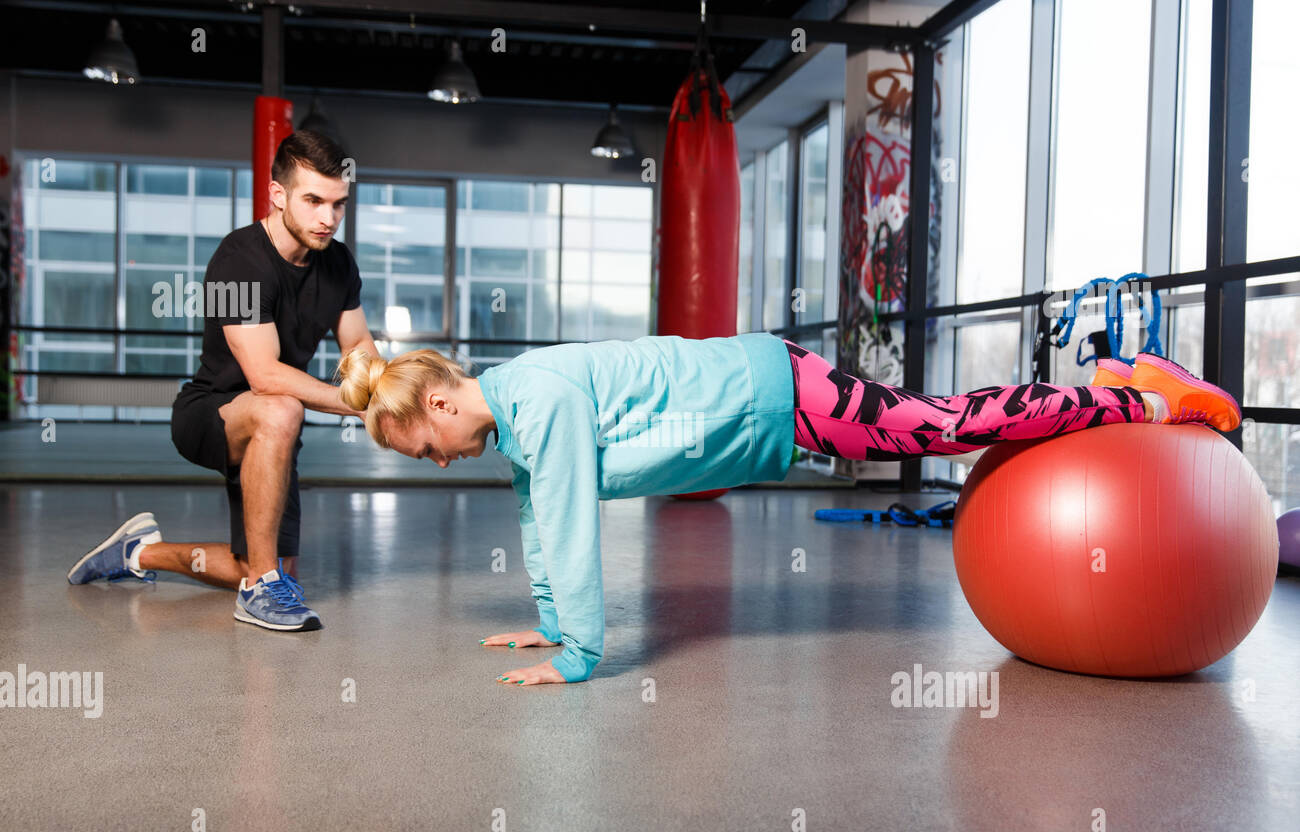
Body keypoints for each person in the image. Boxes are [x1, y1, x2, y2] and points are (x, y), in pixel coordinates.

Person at [335, 333, 1241, 685]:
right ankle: (1122, 391)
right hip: (772, 399)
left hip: (779, 392)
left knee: (948, 425)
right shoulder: (520, 424)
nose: (435, 459)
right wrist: (546, 621)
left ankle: (1145, 400)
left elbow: (572, 526)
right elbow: (540, 517)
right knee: (945, 424)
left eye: (423, 445)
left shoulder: (540, 402)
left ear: (443, 407)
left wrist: (579, 655)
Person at [66, 131, 376, 632]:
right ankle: (257, 592)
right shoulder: (237, 260)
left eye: (339, 204)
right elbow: (264, 375)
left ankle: (140, 552)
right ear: (278, 195)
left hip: (276, 430)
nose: (328, 218)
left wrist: (390, 397)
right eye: (313, 200)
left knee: (272, 566)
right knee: (281, 407)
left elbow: (360, 349)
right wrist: (359, 407)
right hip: (211, 412)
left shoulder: (338, 263)